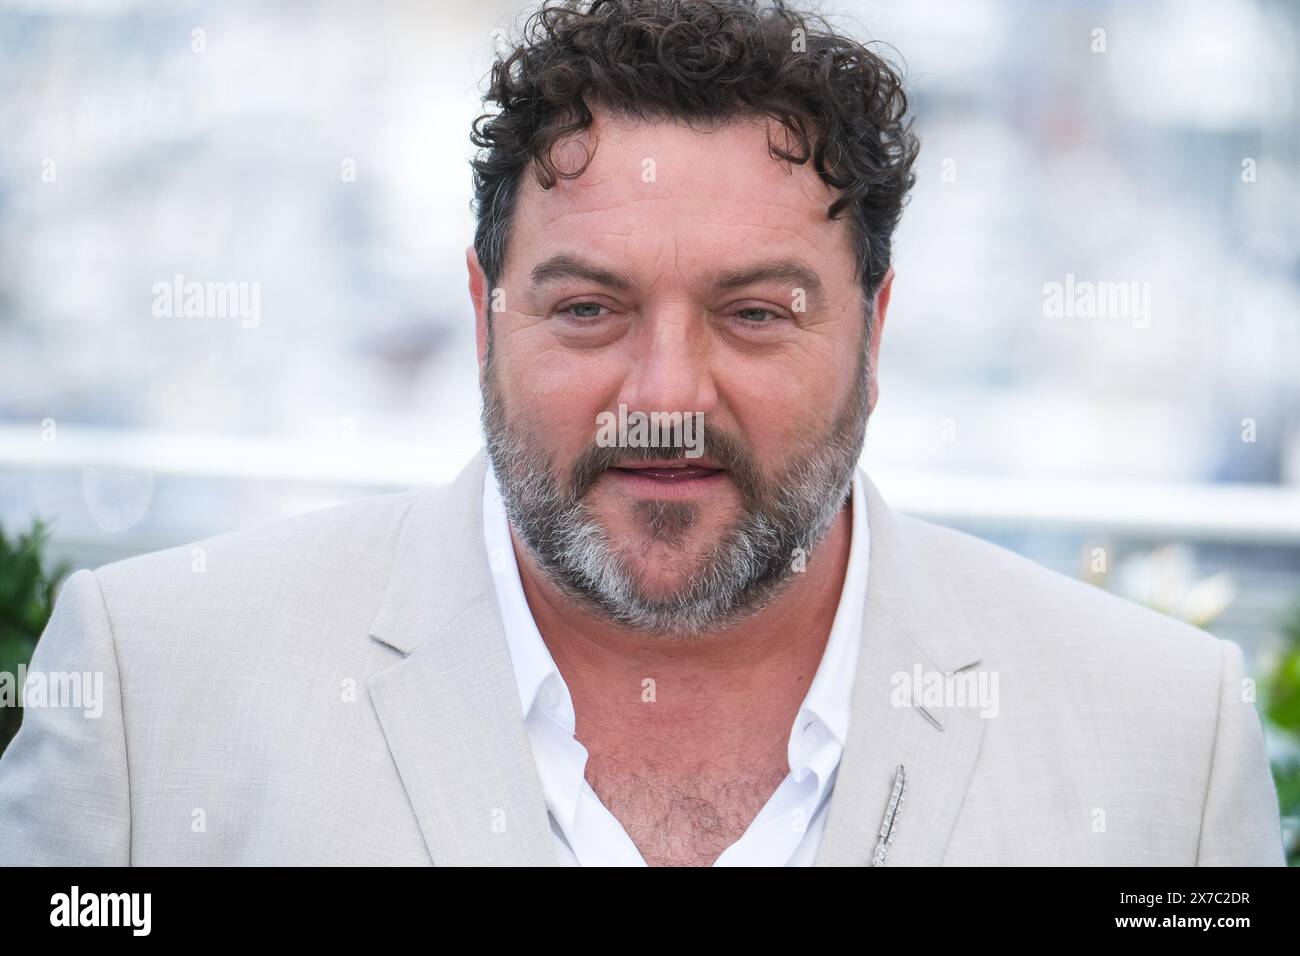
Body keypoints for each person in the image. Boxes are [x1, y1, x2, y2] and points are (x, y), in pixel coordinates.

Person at [0, 0, 1284, 866]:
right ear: (482, 311)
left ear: (877, 332)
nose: (665, 391)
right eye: (590, 308)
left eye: (755, 311)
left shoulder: (1166, 744)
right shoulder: (150, 694)